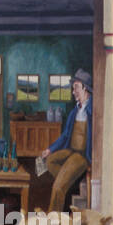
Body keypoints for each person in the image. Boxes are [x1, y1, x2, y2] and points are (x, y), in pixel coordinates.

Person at [40, 69, 93, 211]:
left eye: (76, 87)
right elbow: (65, 136)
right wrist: (49, 149)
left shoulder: (93, 110)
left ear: (85, 88)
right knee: (49, 161)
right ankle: (68, 182)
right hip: (71, 150)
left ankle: (53, 219)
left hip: (82, 156)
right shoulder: (74, 111)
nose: (73, 91)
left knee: (57, 187)